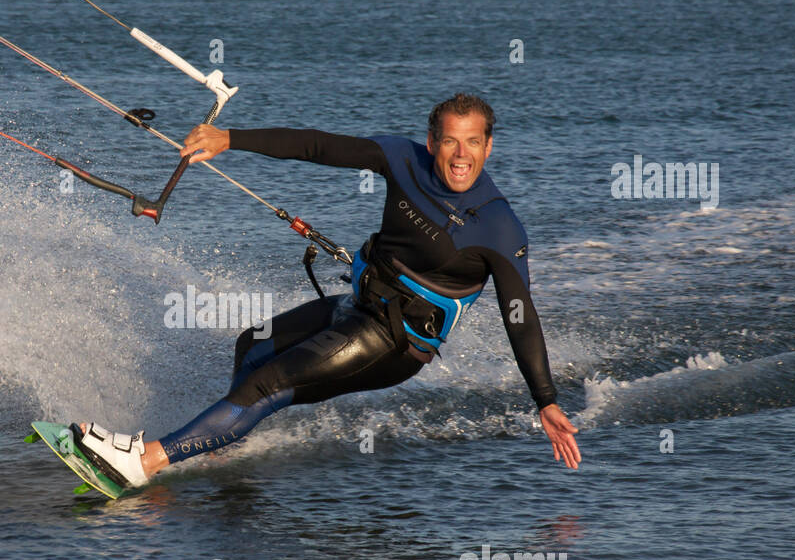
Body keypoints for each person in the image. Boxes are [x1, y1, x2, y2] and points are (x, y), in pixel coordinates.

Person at [72, 93, 581, 489]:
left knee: (267, 384)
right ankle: (213, 442)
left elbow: (520, 314)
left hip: (394, 342)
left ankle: (143, 462)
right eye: (451, 141)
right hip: (356, 307)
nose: (461, 154)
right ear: (432, 142)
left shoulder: (498, 227)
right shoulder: (403, 160)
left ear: (489, 146)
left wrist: (546, 400)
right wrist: (230, 138)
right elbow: (318, 146)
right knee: (251, 346)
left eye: (473, 142)